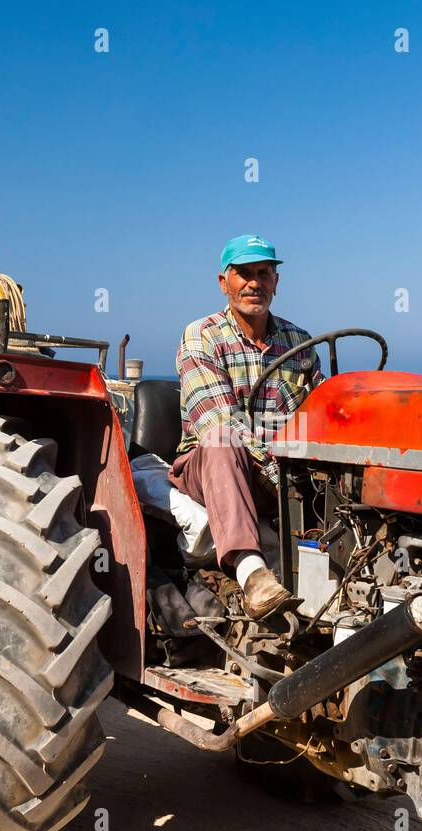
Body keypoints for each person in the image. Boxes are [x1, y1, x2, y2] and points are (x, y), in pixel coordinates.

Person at [170, 235, 323, 619]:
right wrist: (275, 471)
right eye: (244, 274)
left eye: (263, 273)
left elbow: (319, 411)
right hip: (209, 468)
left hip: (283, 473)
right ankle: (253, 575)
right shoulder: (202, 337)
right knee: (223, 440)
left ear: (276, 281)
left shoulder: (299, 342)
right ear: (224, 283)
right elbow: (216, 419)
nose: (254, 283)